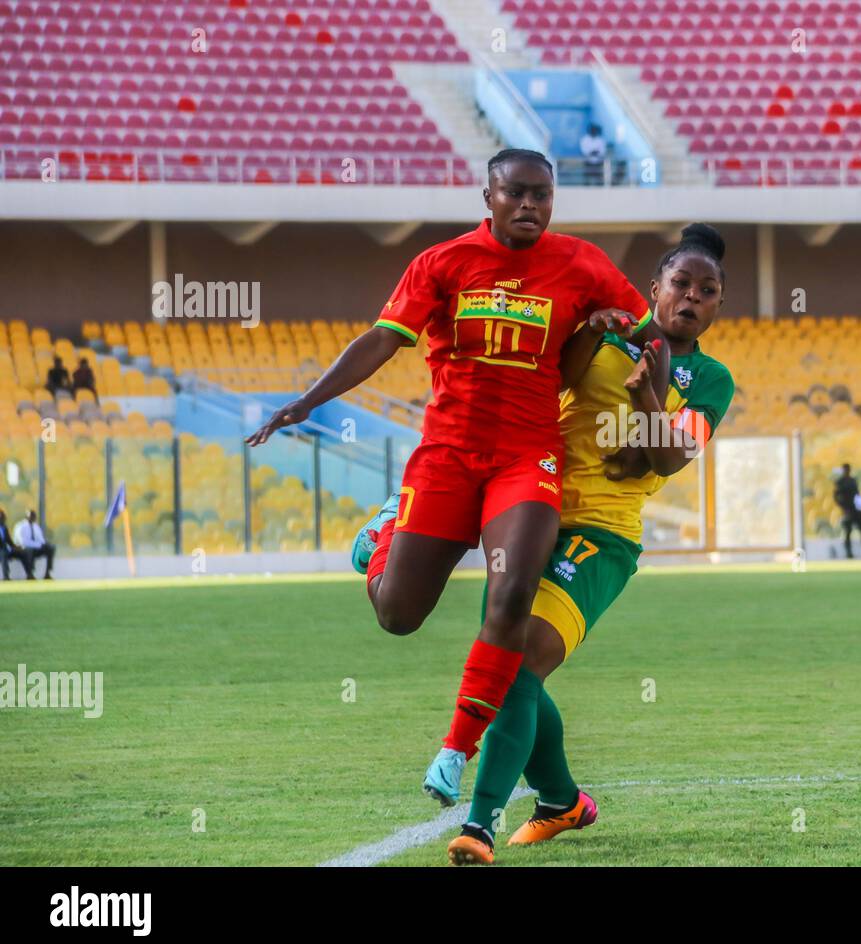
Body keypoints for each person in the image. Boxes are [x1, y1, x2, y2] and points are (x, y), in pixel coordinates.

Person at [247, 148, 652, 810]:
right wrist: (307, 401)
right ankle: (384, 533)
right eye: (516, 193)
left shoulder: (582, 263)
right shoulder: (441, 263)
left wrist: (619, 330)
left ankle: (454, 752)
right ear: (487, 198)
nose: (530, 206)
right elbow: (382, 339)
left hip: (528, 455)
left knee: (513, 592)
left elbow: (647, 326)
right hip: (449, 455)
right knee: (398, 615)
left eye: (542, 196)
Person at [446, 223, 735, 865]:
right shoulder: (611, 338)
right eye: (681, 283)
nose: (691, 297)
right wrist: (585, 332)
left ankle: (480, 825)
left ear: (718, 305)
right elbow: (543, 392)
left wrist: (650, 396)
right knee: (510, 667)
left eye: (707, 291)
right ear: (654, 287)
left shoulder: (711, 379)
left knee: (513, 667)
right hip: (530, 510)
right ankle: (560, 801)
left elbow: (667, 461)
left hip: (601, 537)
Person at [833, 463, 861, 559]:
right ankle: (849, 552)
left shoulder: (853, 480)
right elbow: (836, 497)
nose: (847, 471)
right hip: (847, 510)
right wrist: (843, 507)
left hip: (856, 509)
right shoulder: (840, 482)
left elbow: (857, 494)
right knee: (848, 532)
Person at [14, 509, 54, 579]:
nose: (33, 518)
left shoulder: (36, 527)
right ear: (27, 517)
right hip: (23, 548)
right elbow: (23, 542)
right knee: (30, 550)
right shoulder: (20, 526)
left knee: (50, 548)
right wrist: (38, 545)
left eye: (34, 516)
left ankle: (47, 573)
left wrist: (43, 544)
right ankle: (30, 573)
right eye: (31, 516)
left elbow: (41, 540)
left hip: (36, 548)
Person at [0, 508, 34, 580]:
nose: (4, 519)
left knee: (22, 553)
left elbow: (9, 541)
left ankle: (29, 574)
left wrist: (16, 547)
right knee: (3, 553)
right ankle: (6, 576)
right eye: (2, 517)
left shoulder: (4, 527)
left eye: (4, 517)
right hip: (2, 551)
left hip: (6, 550)